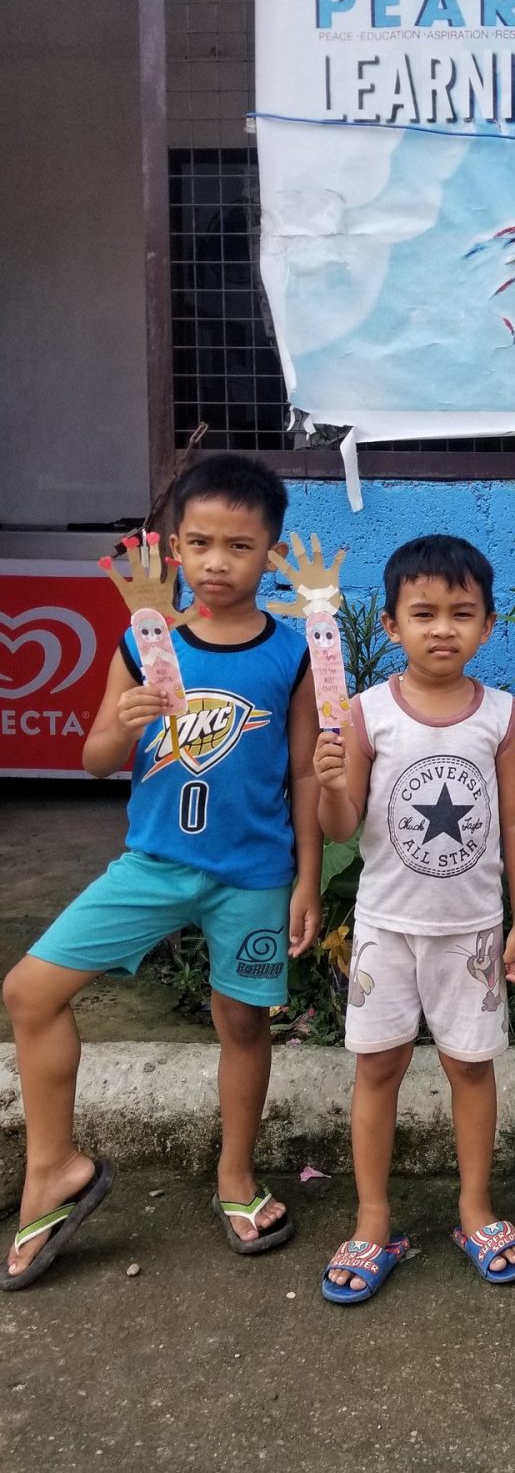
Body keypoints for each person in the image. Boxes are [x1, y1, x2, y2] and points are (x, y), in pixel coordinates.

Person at [3, 455, 321, 1289]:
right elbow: (95, 757)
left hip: (253, 875)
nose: (217, 562)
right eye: (200, 542)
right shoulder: (146, 641)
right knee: (29, 992)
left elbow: (304, 774)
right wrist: (124, 720)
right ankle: (53, 1168)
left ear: (270, 553)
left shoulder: (291, 655)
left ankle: (236, 1175)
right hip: (151, 866)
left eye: (239, 546)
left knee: (242, 1022)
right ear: (174, 546)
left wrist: (308, 879)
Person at [314, 534, 515, 1304]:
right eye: (424, 613)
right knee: (377, 1067)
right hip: (386, 929)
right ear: (390, 625)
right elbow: (342, 825)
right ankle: (373, 1217)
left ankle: (475, 1208)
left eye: (462, 613)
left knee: (470, 1066)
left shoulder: (500, 716)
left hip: (472, 933)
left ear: (489, 625)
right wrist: (329, 783)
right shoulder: (365, 713)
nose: (443, 628)